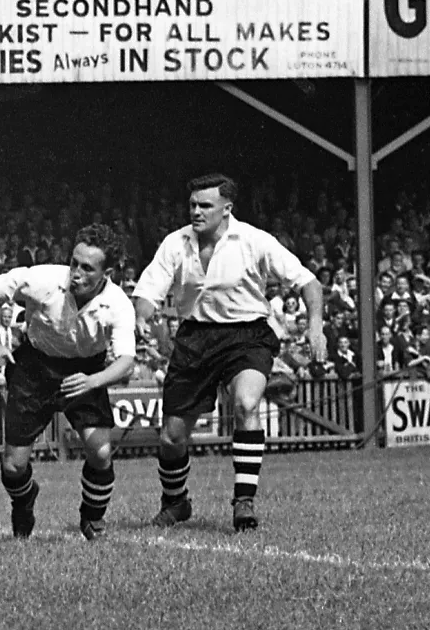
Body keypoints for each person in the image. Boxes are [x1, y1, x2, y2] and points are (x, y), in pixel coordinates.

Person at [132, 173, 326, 532]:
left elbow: (308, 282)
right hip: (195, 338)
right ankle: (176, 502)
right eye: (192, 204)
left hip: (247, 335)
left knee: (246, 405)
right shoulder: (175, 243)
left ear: (227, 208)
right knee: (172, 437)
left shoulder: (254, 240)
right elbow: (148, 290)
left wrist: (316, 326)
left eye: (205, 205)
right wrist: (142, 317)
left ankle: (244, 501)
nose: (196, 211)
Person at [0, 223, 137, 539]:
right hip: (35, 367)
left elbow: (126, 362)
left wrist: (93, 381)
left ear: (106, 272)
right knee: (13, 467)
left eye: (87, 268)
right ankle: (24, 501)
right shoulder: (43, 279)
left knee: (101, 451)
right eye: (74, 263)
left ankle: (92, 519)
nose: (76, 273)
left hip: (85, 372)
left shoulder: (118, 304)